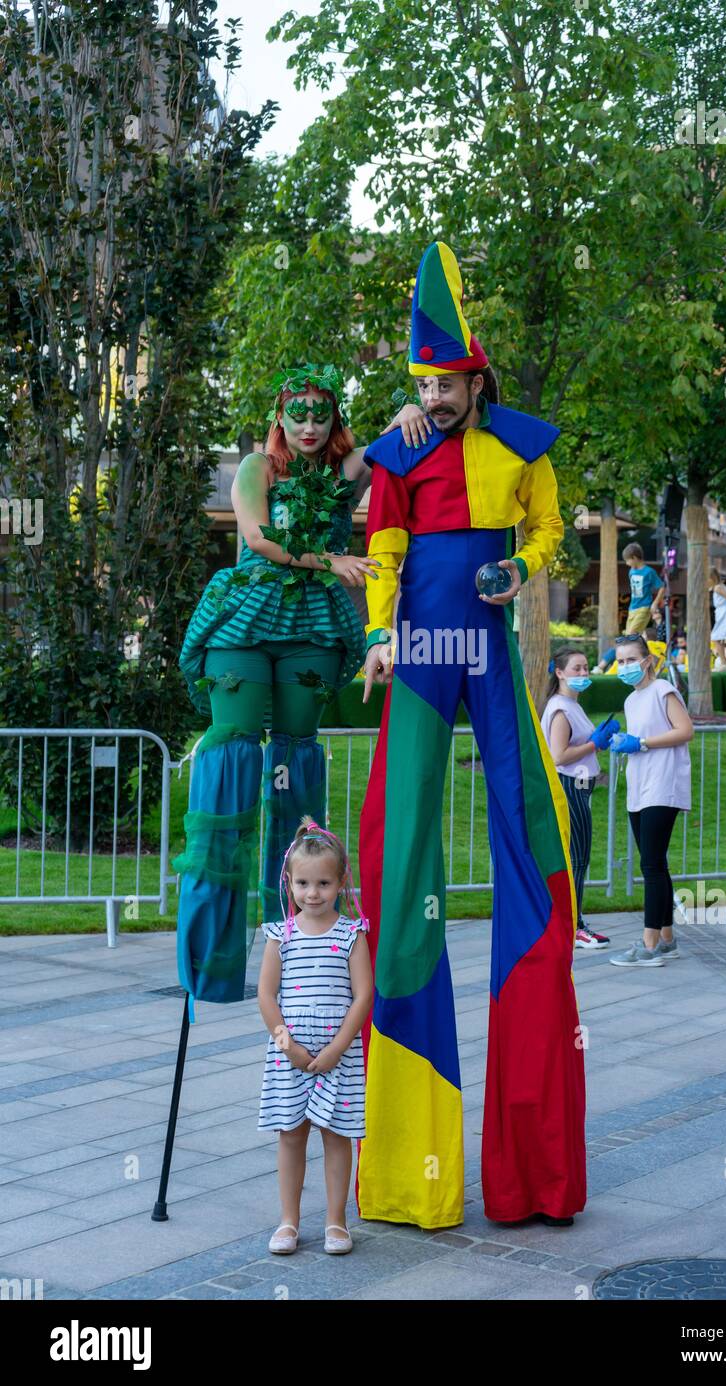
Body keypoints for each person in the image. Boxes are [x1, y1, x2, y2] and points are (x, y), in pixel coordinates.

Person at [357, 240, 586, 1229]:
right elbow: (381, 549)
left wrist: (523, 568)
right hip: (417, 655)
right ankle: (413, 1172)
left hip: (488, 654)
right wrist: (375, 632)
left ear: (475, 377)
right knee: (399, 864)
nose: (436, 396)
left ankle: (534, 1169)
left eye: (448, 381)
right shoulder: (397, 451)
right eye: (424, 382)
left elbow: (547, 531)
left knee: (534, 861)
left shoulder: (521, 448)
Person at [173, 365, 428, 1015]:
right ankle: (212, 954)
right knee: (232, 755)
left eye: (321, 415)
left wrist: (405, 412)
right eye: (299, 415)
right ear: (280, 418)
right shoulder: (258, 467)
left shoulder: (340, 475)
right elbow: (257, 538)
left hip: (311, 628)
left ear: (333, 419)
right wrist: (329, 561)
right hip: (248, 619)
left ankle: (296, 943)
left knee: (294, 766)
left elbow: (389, 445)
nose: (310, 427)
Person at [257, 817, 373, 1256]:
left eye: (324, 883)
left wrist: (336, 1048)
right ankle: (288, 1221)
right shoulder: (279, 936)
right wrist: (290, 1047)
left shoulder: (350, 935)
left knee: (336, 1134)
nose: (313, 893)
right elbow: (267, 997)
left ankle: (336, 1222)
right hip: (290, 1054)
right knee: (291, 1133)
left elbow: (362, 996)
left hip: (337, 1054)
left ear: (341, 881)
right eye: (303, 883)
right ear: (289, 882)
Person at [607, 634, 694, 967]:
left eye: (632, 659)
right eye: (621, 661)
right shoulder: (632, 700)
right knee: (655, 863)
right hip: (639, 788)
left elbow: (685, 730)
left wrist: (641, 742)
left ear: (647, 660)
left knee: (651, 866)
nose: (626, 666)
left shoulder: (663, 691)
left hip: (663, 785)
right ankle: (668, 939)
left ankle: (649, 944)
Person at [541, 645, 620, 949]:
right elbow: (559, 755)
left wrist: (596, 737)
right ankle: (573, 926)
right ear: (559, 672)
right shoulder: (560, 708)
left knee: (579, 857)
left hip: (580, 786)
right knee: (576, 858)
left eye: (586, 668)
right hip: (570, 786)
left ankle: (573, 922)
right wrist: (594, 744)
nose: (584, 673)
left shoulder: (571, 705)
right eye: (577, 668)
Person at [623, 543, 664, 636]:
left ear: (634, 558)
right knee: (629, 637)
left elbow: (661, 587)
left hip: (644, 607)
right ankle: (642, 649)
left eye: (627, 560)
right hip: (632, 608)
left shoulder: (649, 572)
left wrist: (655, 603)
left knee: (631, 635)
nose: (626, 563)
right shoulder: (631, 571)